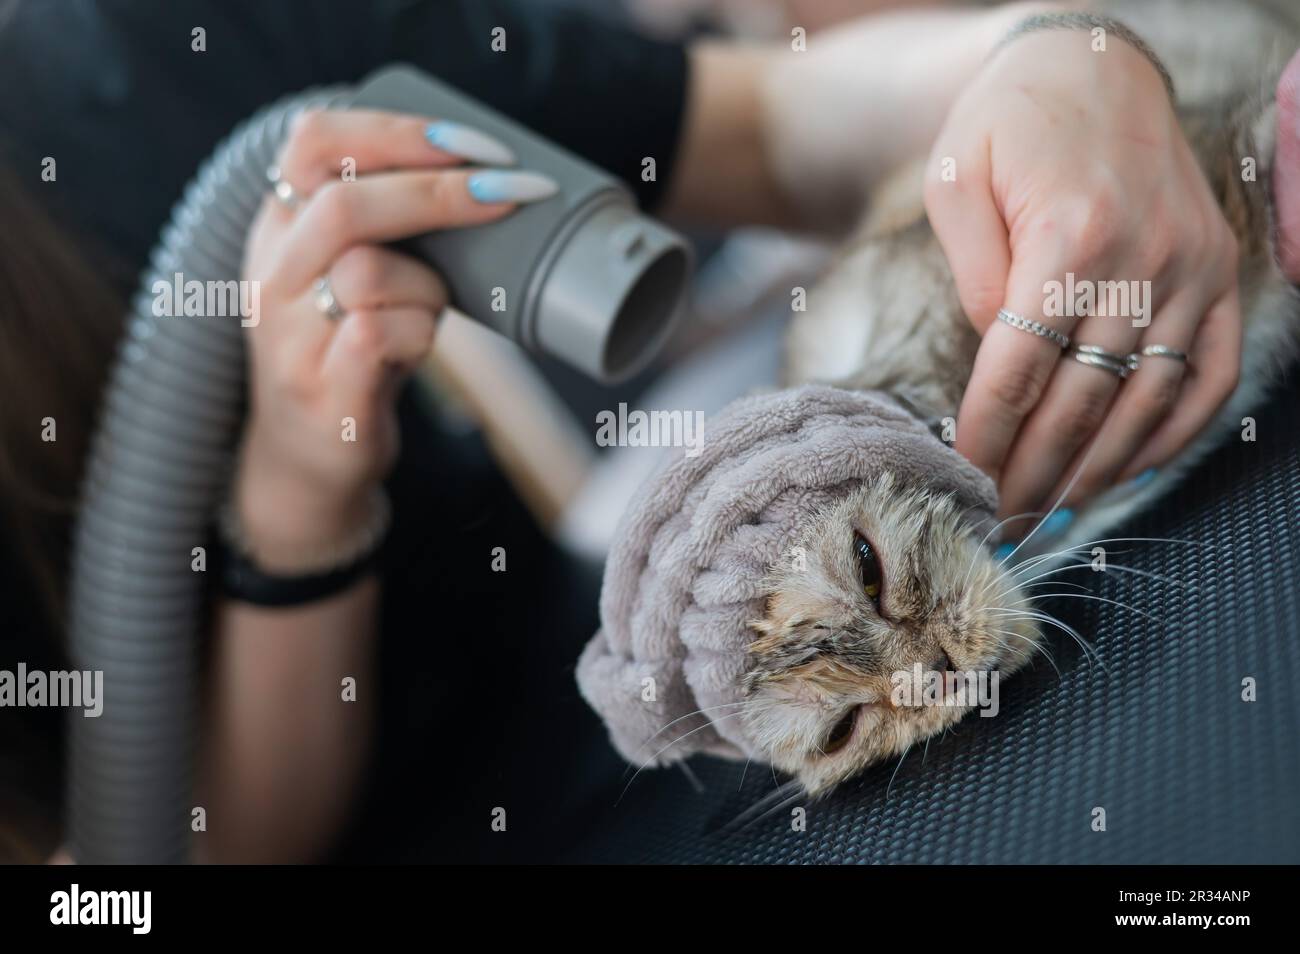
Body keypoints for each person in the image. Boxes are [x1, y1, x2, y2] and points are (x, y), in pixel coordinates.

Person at [0, 0, 1262, 862]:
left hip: (642, 713)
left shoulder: (144, 43)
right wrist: (298, 503)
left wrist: (1060, 59)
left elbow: (767, 129)